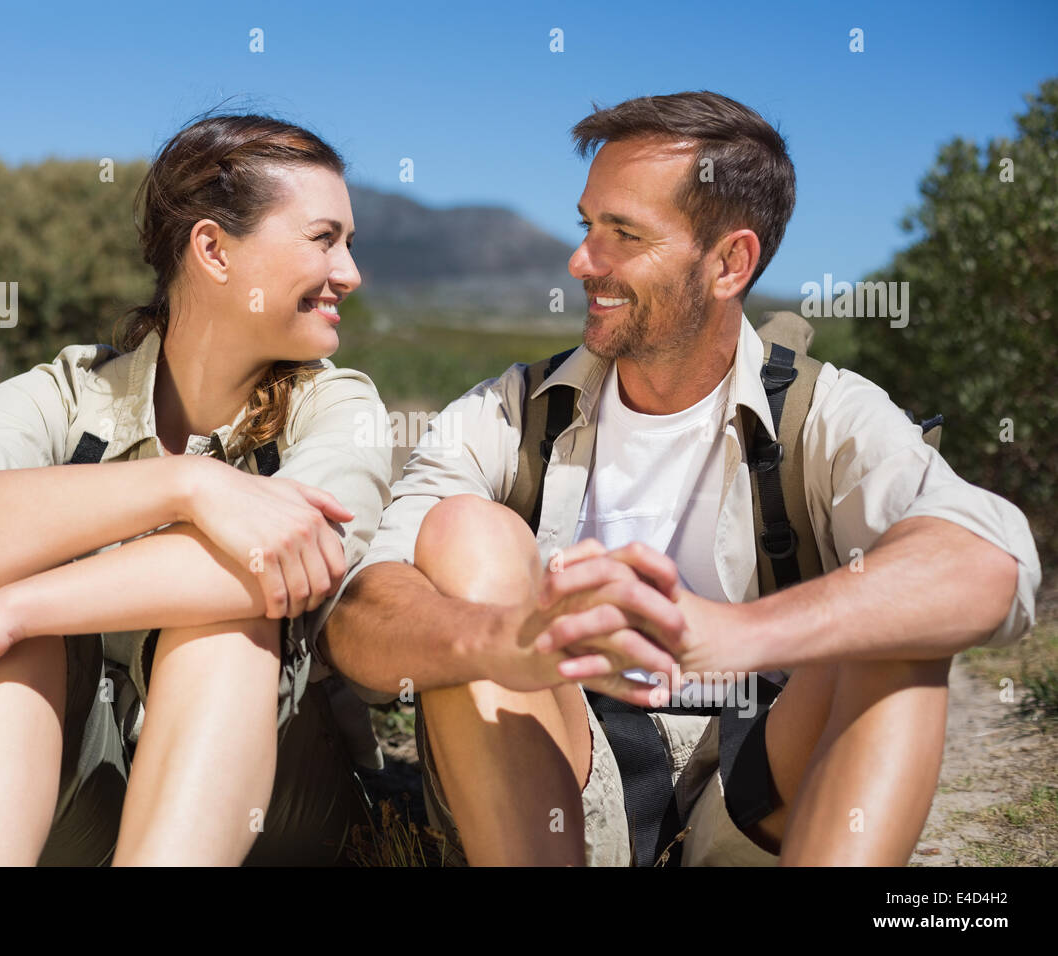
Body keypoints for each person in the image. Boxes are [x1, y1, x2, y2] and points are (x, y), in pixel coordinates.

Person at [321, 91, 1042, 866]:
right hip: (556, 786)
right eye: (585, 225)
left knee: (897, 619)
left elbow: (987, 559)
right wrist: (512, 642)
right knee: (466, 531)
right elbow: (359, 620)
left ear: (731, 262)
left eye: (623, 233)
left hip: (756, 793)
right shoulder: (506, 412)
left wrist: (729, 635)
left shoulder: (824, 411)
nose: (581, 260)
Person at [0, 113, 392, 866]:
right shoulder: (65, 392)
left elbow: (287, 559)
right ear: (212, 249)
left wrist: (14, 610)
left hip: (280, 807)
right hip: (82, 807)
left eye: (348, 243)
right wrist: (186, 482)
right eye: (323, 239)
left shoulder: (339, 407)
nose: (349, 273)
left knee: (227, 619)